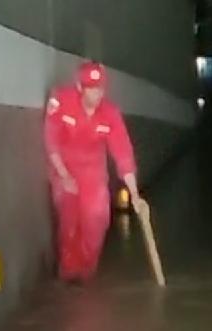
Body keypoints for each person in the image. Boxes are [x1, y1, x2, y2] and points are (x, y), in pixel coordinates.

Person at [44, 61, 140, 283]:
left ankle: (86, 270)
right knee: (69, 222)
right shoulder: (61, 101)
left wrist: (134, 193)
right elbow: (51, 140)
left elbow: (123, 152)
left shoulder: (111, 114)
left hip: (93, 171)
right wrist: (64, 175)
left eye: (100, 89)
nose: (96, 94)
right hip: (63, 167)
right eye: (91, 88)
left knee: (97, 219)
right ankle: (68, 272)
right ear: (80, 87)